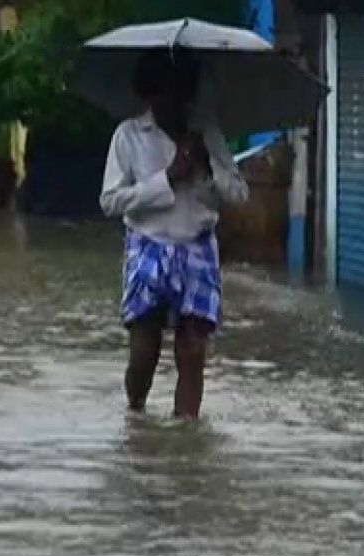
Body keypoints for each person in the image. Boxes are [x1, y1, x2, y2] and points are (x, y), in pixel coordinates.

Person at [100, 50, 249, 419]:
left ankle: (186, 438)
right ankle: (135, 414)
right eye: (166, 92)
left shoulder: (208, 136)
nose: (177, 101)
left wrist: (207, 169)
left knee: (193, 351)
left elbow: (238, 194)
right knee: (144, 353)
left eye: (184, 92)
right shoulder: (129, 136)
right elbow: (111, 201)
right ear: (150, 93)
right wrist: (166, 179)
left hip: (197, 248)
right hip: (147, 245)